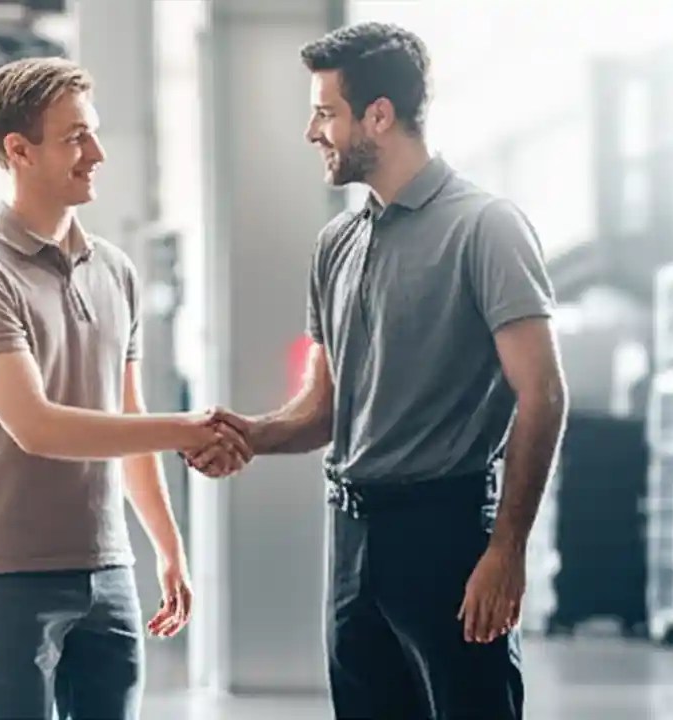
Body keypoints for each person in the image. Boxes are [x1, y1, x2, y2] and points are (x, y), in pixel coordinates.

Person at [188, 22, 567, 719]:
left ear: (379, 116)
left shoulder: (486, 227)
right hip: (352, 534)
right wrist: (249, 434)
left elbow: (541, 394)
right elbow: (321, 410)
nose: (312, 131)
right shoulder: (337, 242)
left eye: (325, 112)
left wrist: (507, 549)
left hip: (447, 532)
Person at [0, 57, 249, 720]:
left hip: (108, 570)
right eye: (76, 137)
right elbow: (38, 426)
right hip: (7, 574)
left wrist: (167, 547)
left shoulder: (115, 270)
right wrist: (188, 429)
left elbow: (126, 416)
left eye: (93, 132)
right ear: (19, 151)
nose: (97, 153)